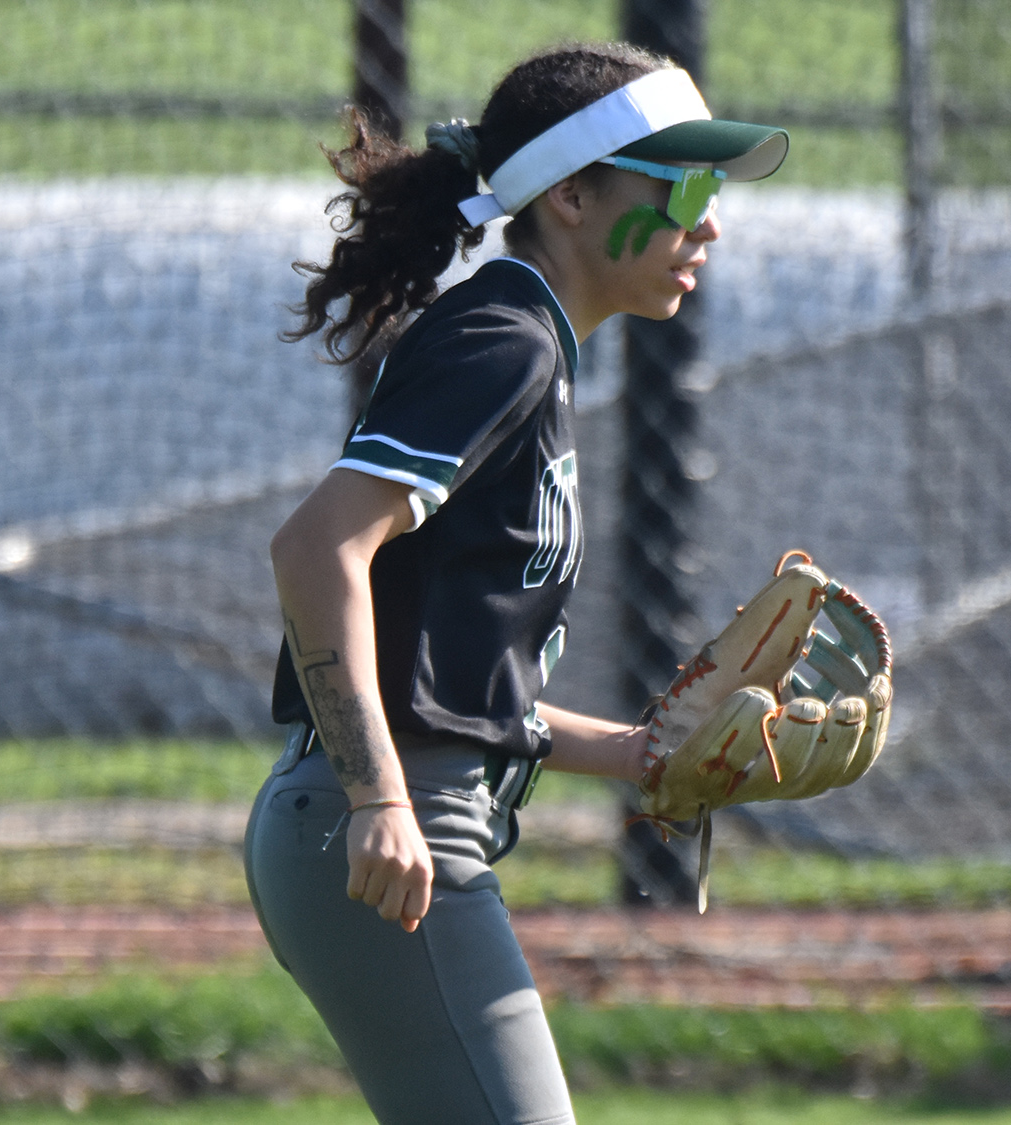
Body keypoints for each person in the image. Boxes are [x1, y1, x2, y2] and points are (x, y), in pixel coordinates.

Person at [242, 41, 788, 1125]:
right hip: (388, 834)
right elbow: (314, 550)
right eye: (683, 187)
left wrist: (637, 754)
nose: (710, 223)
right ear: (572, 196)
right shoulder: (505, 340)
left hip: (387, 822)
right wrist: (380, 799)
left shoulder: (522, 340)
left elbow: (444, 680)